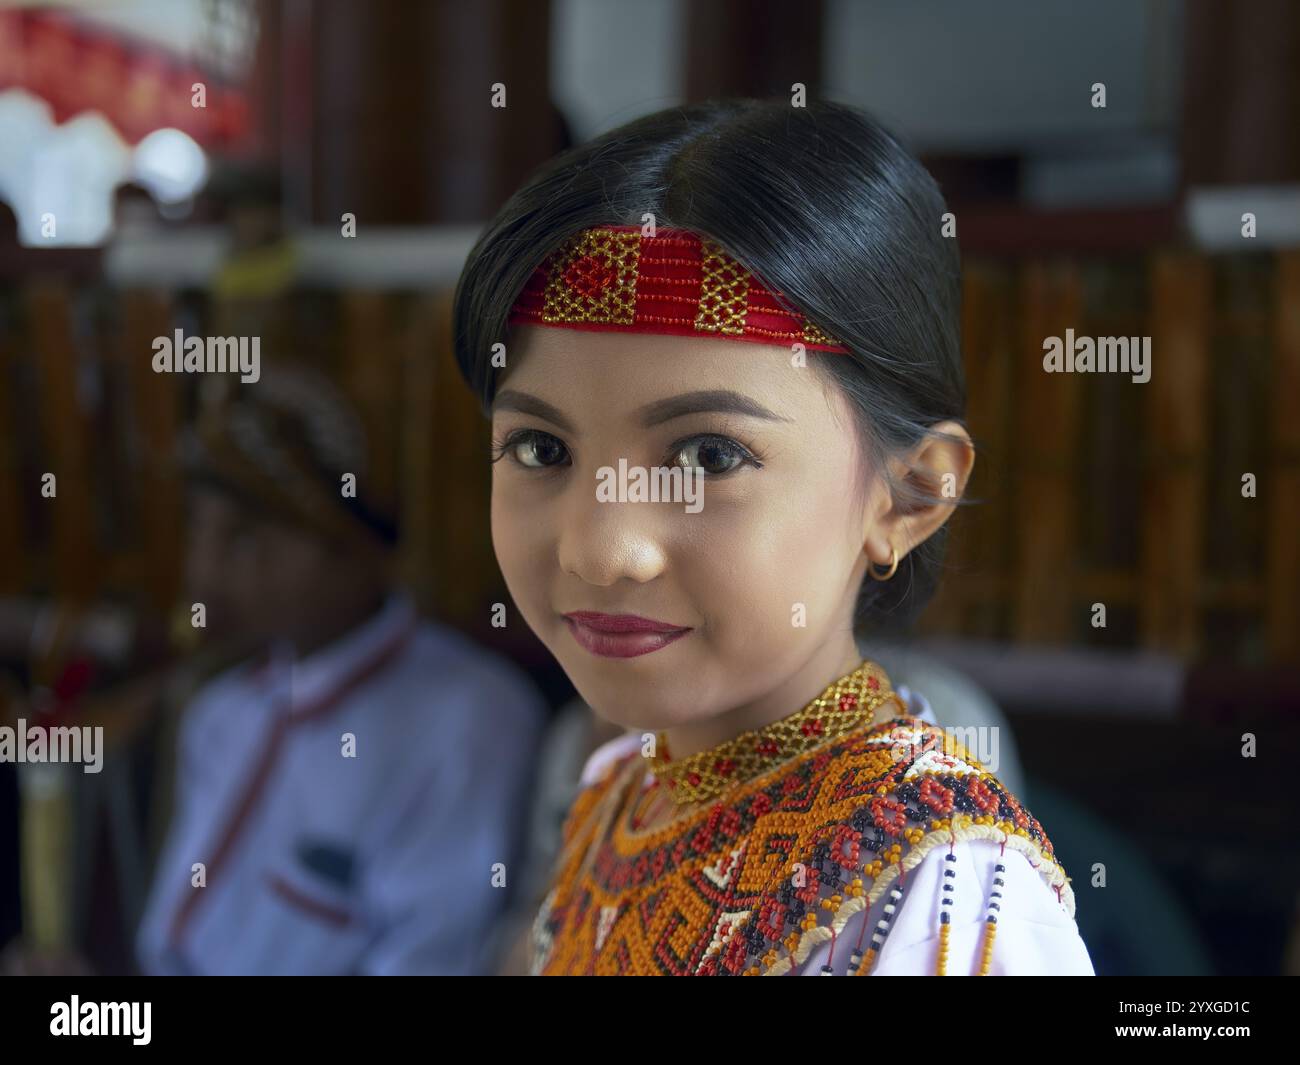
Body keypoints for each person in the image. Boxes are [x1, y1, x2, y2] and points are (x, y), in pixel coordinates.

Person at [451, 97, 1095, 975]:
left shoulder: (938, 883)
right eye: (541, 447)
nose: (600, 550)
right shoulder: (615, 795)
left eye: (709, 455)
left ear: (908, 493)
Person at [135, 364, 546, 974]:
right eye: (201, 529)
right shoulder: (220, 711)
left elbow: (426, 961)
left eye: (247, 536)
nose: (206, 572)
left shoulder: (468, 721)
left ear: (359, 551)